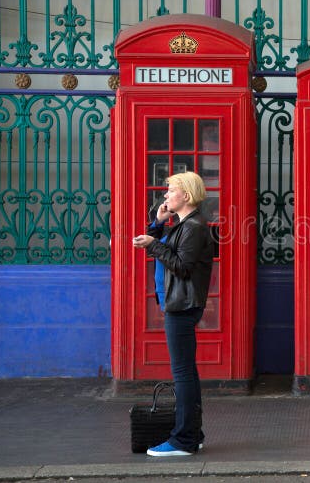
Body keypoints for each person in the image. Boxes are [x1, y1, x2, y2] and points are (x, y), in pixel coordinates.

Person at [132, 171, 213, 457]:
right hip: (175, 303)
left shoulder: (194, 228)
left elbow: (181, 266)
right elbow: (158, 245)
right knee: (186, 373)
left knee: (182, 374)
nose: (166, 195)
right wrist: (157, 223)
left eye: (171, 191)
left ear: (186, 196)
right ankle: (194, 435)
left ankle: (183, 441)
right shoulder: (182, 224)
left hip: (182, 306)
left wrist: (154, 244)